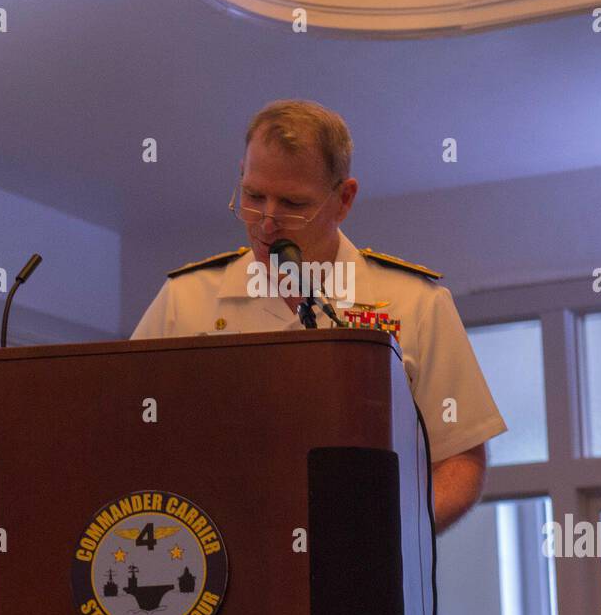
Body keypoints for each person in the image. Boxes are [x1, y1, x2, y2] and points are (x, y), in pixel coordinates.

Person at [131, 99, 507, 529]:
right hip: (214, 560)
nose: (267, 223)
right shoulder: (185, 301)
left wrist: (398, 539)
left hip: (360, 565)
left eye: (293, 204)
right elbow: (125, 433)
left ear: (343, 199)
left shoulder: (416, 304)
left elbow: (459, 458)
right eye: (254, 196)